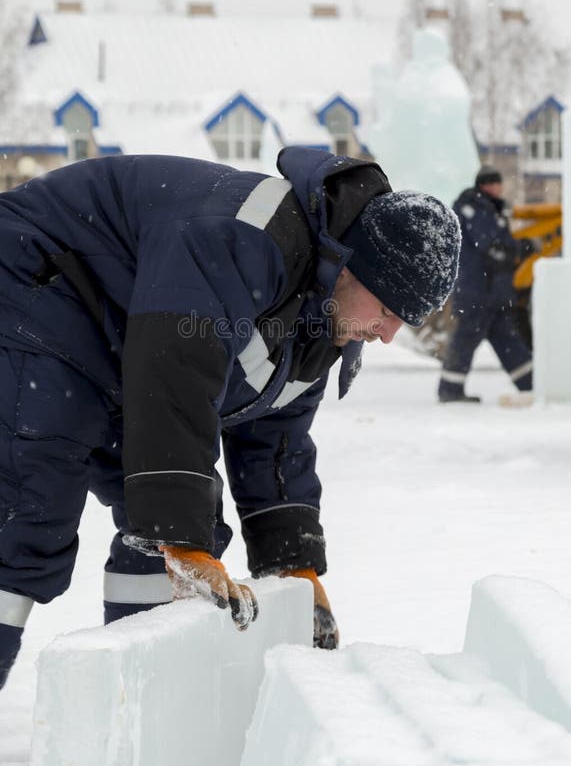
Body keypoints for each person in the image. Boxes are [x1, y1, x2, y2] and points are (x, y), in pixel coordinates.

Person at [0, 146, 460, 688]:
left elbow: (274, 435)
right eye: (385, 309)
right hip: (38, 274)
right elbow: (176, 366)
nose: (387, 334)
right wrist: (180, 536)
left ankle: (134, 707)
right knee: (31, 502)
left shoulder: (325, 316)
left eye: (402, 320)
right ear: (350, 268)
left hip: (119, 339)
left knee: (175, 533)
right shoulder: (248, 237)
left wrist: (291, 561)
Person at [438, 165, 534, 403]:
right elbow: (491, 245)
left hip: (494, 292)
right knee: (467, 338)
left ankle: (531, 386)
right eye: (495, 183)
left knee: (508, 339)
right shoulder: (475, 209)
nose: (499, 188)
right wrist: (519, 249)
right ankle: (450, 390)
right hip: (478, 291)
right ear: (485, 186)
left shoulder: (487, 208)